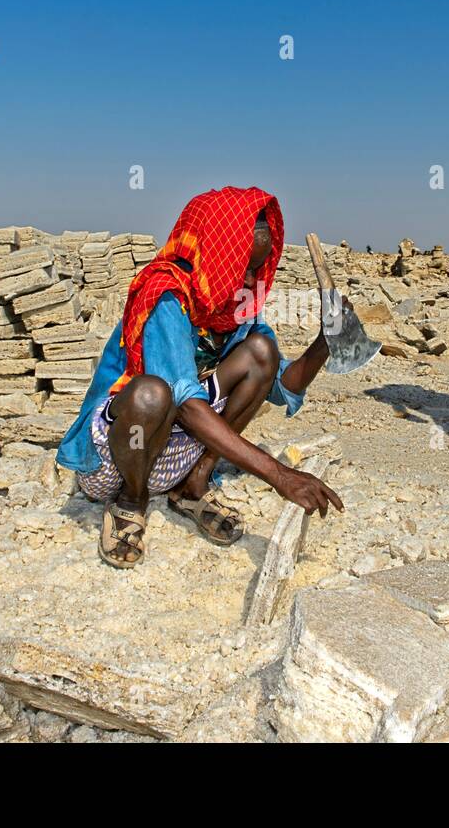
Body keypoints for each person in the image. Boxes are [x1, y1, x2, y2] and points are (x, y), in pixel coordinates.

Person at [56, 186, 344, 568]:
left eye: (257, 268)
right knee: (151, 394)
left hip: (178, 451)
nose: (249, 279)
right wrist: (279, 475)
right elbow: (186, 405)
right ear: (216, 253)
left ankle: (193, 484)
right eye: (242, 264)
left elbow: (278, 384)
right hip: (121, 455)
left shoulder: (234, 310)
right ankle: (130, 503)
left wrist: (326, 341)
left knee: (262, 353)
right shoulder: (165, 295)